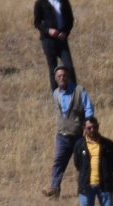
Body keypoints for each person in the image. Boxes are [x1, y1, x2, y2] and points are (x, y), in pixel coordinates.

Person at [43, 64, 91, 197]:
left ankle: (83, 190)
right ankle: (54, 190)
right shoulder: (56, 93)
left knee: (81, 163)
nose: (62, 78)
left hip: (78, 135)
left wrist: (88, 124)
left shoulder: (79, 90)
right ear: (55, 79)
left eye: (64, 75)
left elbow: (88, 108)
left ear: (68, 76)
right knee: (58, 162)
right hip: (62, 135)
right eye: (59, 76)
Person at [72, 114, 113, 206]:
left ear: (98, 127)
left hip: (104, 186)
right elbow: (77, 164)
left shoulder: (108, 144)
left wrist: (106, 175)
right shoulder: (79, 145)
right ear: (84, 129)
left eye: (95, 127)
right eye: (89, 127)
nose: (92, 130)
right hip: (86, 187)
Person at [32, 0, 72, 88]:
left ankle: (74, 94)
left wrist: (65, 32)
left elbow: (70, 19)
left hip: (62, 40)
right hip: (48, 41)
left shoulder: (64, 1)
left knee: (69, 67)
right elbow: (37, 23)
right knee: (53, 69)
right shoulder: (40, 2)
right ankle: (56, 95)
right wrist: (48, 30)